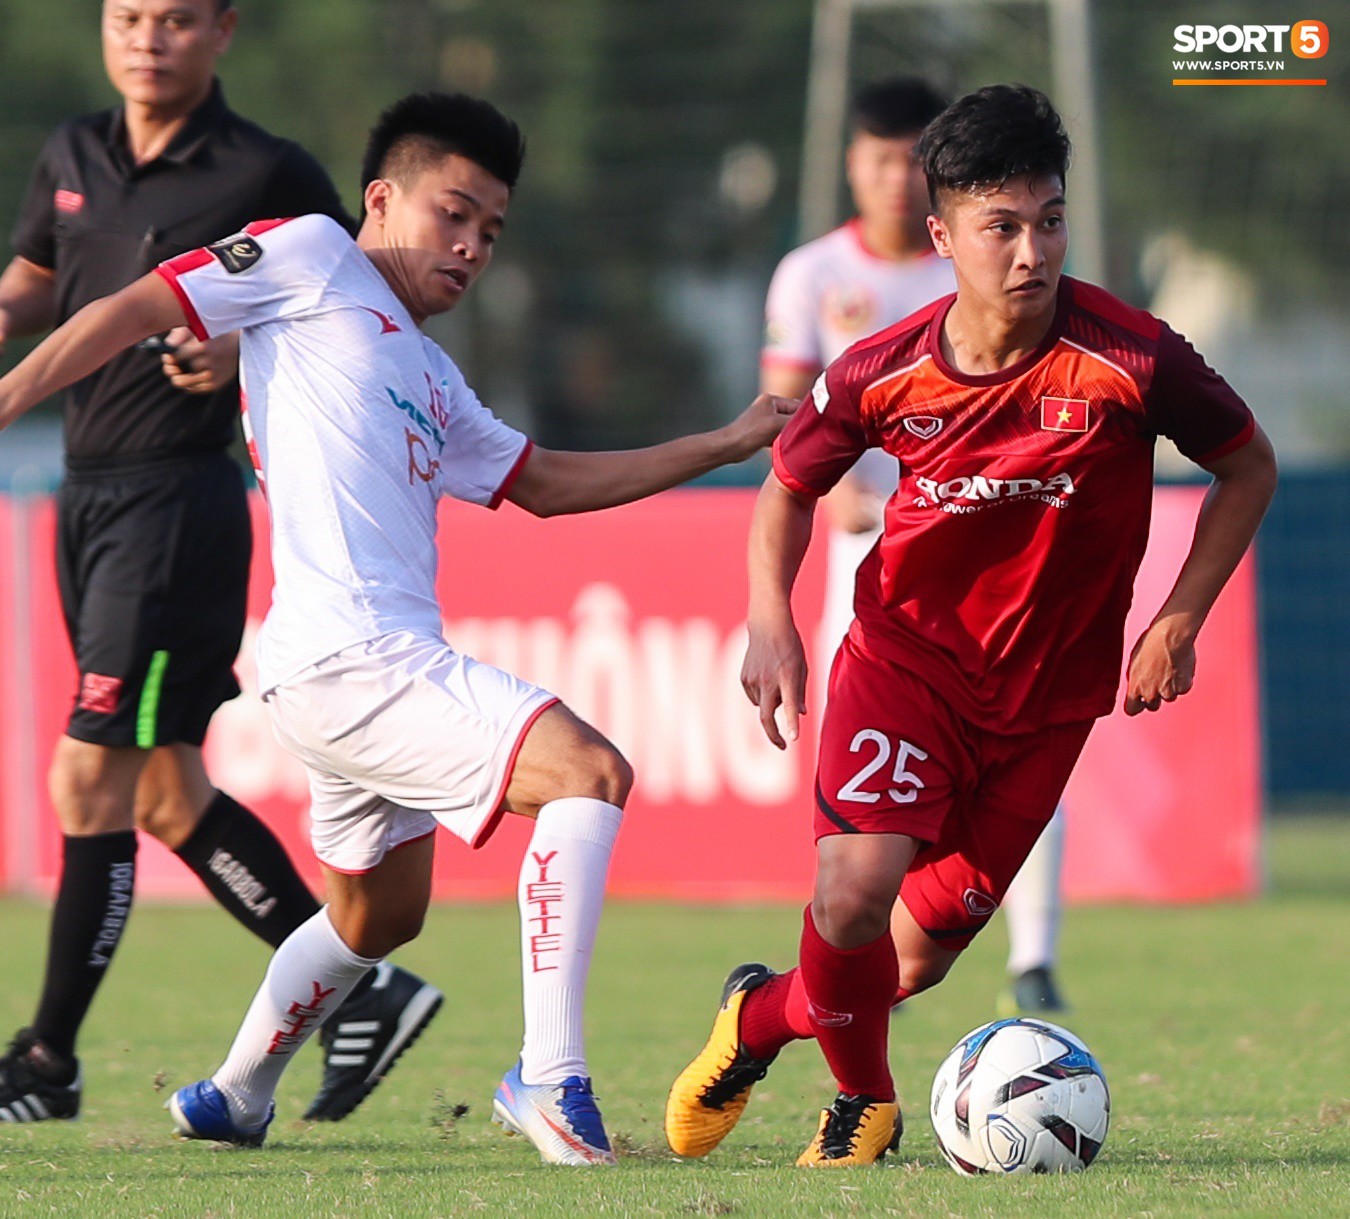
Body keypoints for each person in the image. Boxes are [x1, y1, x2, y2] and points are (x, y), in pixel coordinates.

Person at [0, 90, 794, 1163]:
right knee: (589, 774)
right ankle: (551, 1079)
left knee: (378, 919)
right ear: (381, 199)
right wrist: (10, 395)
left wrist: (729, 440)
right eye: (452, 215)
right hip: (351, 656)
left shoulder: (429, 371)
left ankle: (235, 1093)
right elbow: (136, 307)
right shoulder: (315, 252)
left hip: (341, 670)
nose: (469, 248)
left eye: (491, 233)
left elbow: (547, 482)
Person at [666, 84, 1277, 1167]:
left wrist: (1180, 617)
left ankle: (756, 1019)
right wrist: (770, 619)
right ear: (945, 235)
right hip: (906, 661)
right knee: (851, 893)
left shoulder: (1133, 356)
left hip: (1049, 701)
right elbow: (788, 485)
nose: (1032, 251)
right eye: (1003, 227)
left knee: (902, 964)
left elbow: (1246, 464)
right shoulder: (877, 368)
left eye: (1049, 220)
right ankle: (868, 1104)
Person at [0, 0, 440, 1127]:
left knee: (87, 779)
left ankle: (45, 1063)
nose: (148, 38)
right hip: (86, 492)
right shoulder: (70, 152)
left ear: (224, 32)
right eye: (128, 15)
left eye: (177, 19)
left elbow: (358, 304)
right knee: (161, 790)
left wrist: (240, 341)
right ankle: (365, 986)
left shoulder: (267, 169)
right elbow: (34, 284)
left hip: (176, 509)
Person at [763, 76, 1069, 1018]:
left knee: (1022, 751)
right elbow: (793, 424)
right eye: (877, 158)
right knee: (865, 827)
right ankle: (841, 984)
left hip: (995, 557)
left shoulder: (992, 248)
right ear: (854, 165)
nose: (894, 178)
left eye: (909, 158)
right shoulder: (812, 274)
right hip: (871, 558)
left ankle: (1034, 949)